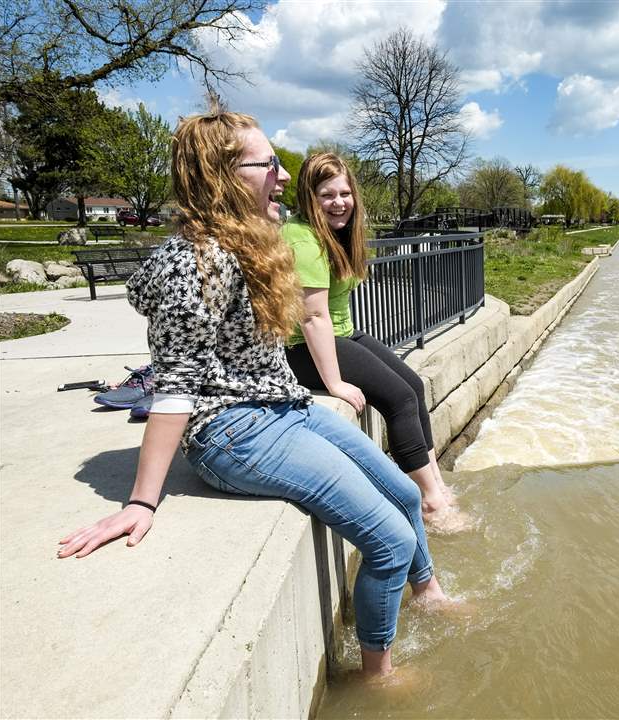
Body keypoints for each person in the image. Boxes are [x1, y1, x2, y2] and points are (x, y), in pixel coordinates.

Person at [57, 111, 446, 678]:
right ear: (221, 176)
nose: (284, 175)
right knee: (385, 539)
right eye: (268, 164)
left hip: (285, 406)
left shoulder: (252, 243)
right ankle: (378, 681)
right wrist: (142, 502)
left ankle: (430, 594)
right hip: (234, 431)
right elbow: (175, 383)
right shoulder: (196, 263)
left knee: (406, 499)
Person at [281, 153, 462, 528]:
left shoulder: (338, 233)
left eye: (344, 193)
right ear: (308, 197)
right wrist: (334, 382)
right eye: (326, 194)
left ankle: (437, 484)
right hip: (301, 348)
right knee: (397, 400)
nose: (338, 202)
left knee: (412, 385)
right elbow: (312, 317)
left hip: (342, 332)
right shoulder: (301, 237)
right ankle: (428, 503)